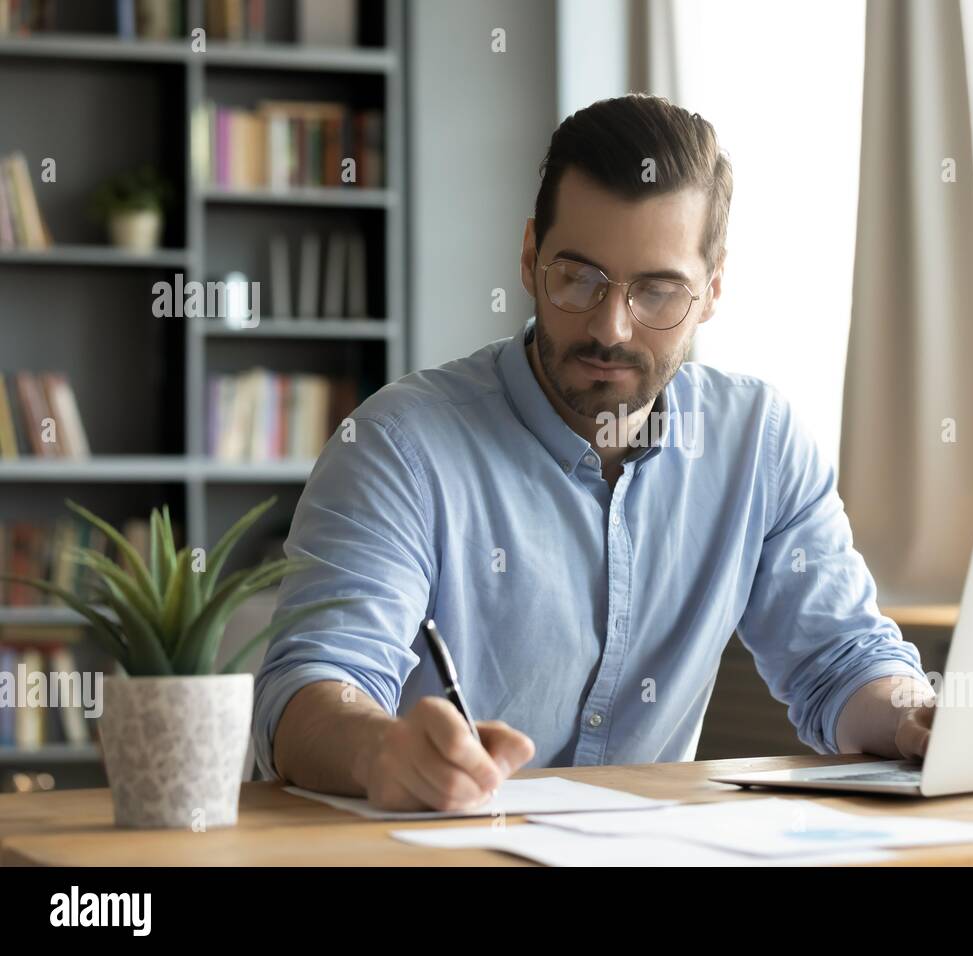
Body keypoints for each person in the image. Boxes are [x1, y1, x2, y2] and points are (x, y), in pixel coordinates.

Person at [254, 93, 935, 811]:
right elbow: (308, 693)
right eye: (578, 279)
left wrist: (914, 717)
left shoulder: (758, 445)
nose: (610, 328)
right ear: (528, 258)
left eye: (657, 292)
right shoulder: (399, 448)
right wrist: (379, 749)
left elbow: (842, 661)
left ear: (712, 291)